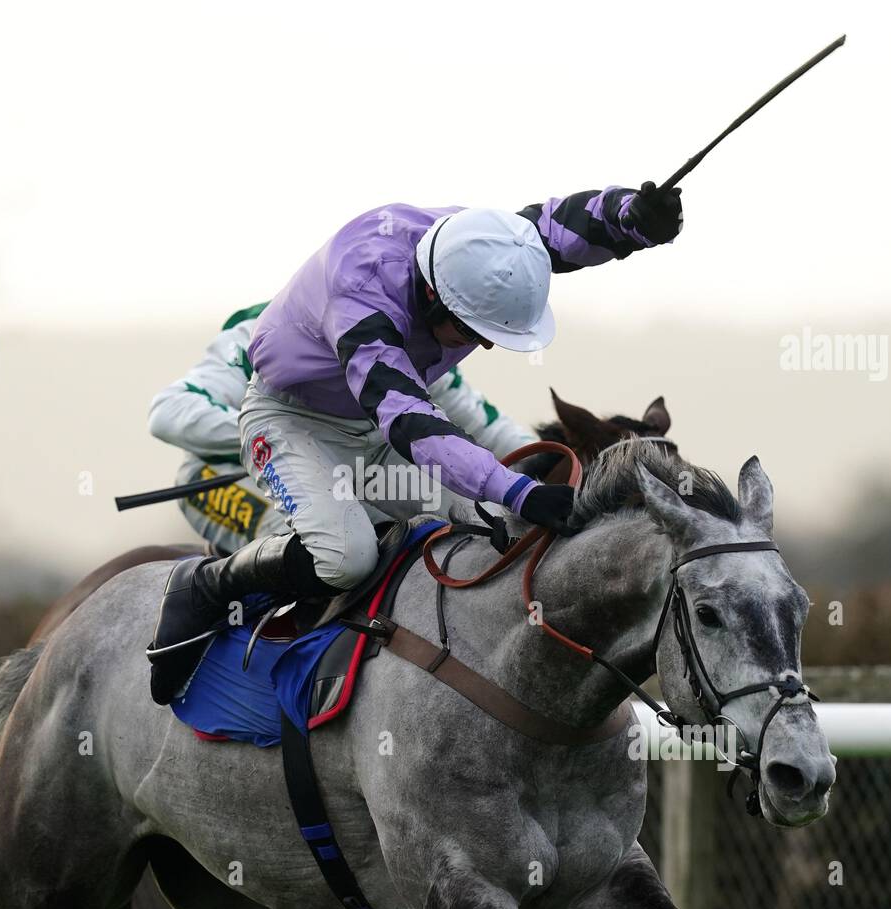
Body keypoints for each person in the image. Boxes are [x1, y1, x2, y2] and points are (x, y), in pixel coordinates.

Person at [149, 183, 683, 697]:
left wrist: (631, 219)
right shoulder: (360, 298)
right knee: (346, 559)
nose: (482, 348)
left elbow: (549, 228)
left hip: (370, 427)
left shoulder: (472, 244)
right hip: (291, 424)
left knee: (492, 526)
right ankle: (209, 585)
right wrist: (519, 489)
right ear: (432, 295)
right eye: (471, 331)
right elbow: (412, 424)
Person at [147, 302, 536, 556]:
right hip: (223, 474)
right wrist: (300, 441)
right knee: (333, 542)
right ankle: (207, 599)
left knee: (462, 513)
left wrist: (546, 463)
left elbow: (485, 427)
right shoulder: (258, 335)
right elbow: (169, 411)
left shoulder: (401, 342)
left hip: (347, 469)